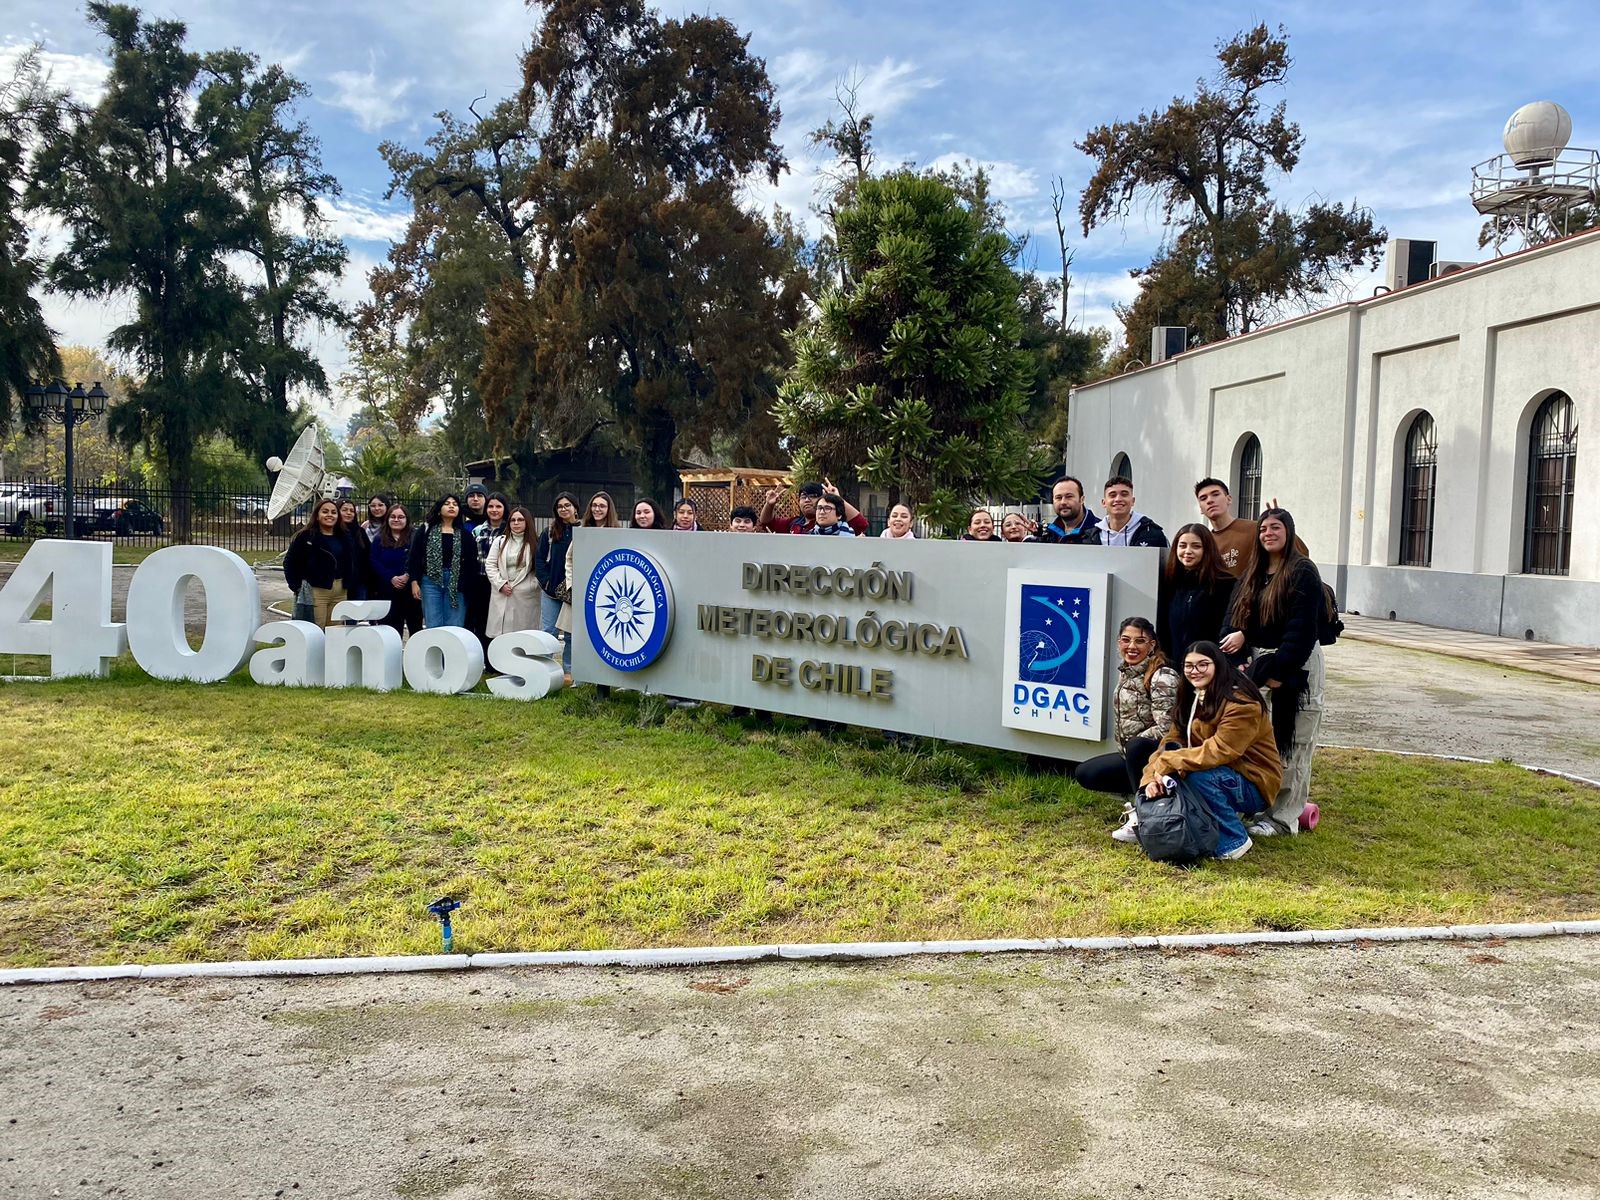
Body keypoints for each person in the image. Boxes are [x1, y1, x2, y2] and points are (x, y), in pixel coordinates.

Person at [1219, 508, 1325, 837]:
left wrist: (1281, 671)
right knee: (1257, 739)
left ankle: (1283, 818)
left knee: (1293, 740)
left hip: (1296, 664)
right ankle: (1259, 805)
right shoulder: (1253, 573)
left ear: (1289, 532)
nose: (1268, 533)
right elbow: (1233, 621)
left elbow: (1302, 630)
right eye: (1263, 528)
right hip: (1258, 666)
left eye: (1275, 527)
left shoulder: (1302, 572)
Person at [1139, 641, 1283, 861]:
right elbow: (1171, 740)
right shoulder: (1191, 695)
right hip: (1220, 771)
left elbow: (1221, 750)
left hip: (1253, 781)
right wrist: (1151, 778)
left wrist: (1168, 763)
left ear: (1218, 665)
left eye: (1202, 664)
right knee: (1153, 758)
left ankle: (1234, 840)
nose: (1194, 671)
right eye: (1189, 666)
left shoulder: (1242, 701)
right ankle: (1153, 820)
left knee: (1196, 775)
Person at [1073, 617, 1181, 843]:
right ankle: (1149, 797)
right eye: (1126, 640)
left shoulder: (1162, 676)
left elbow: (1167, 730)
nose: (1132, 647)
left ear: (1152, 645)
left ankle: (1145, 817)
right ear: (1118, 642)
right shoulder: (1128, 672)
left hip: (1156, 758)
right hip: (1130, 756)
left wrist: (1135, 746)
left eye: (1140, 641)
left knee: (1137, 745)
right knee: (1086, 773)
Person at [1194, 477, 1306, 577]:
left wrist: (1283, 526)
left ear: (1229, 499)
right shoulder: (1204, 543)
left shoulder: (1258, 530)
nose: (1210, 500)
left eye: (1215, 494)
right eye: (1203, 498)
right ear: (1200, 508)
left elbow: (1301, 552)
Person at [283, 498, 365, 628]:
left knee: (335, 631)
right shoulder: (305, 536)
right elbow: (290, 562)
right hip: (317, 591)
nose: (329, 515)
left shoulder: (345, 536)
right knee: (316, 629)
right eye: (325, 512)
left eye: (333, 512)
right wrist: (296, 586)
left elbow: (351, 562)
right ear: (317, 515)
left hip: (340, 591)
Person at [1159, 524, 1236, 661]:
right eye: (1182, 546)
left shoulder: (1225, 583)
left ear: (1207, 549)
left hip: (1210, 666)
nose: (1188, 551)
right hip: (1175, 665)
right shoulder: (1169, 582)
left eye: (1196, 546)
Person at [409, 492, 480, 629]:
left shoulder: (464, 534)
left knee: (454, 625)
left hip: (456, 583)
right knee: (433, 624)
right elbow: (415, 557)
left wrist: (466, 585)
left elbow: (472, 562)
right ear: (439, 509)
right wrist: (414, 581)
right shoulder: (426, 530)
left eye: (455, 504)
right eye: (447, 504)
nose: (451, 507)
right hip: (430, 582)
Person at [535, 492, 579, 680]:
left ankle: (569, 671)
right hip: (551, 591)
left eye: (567, 505)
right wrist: (546, 582)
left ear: (575, 508)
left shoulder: (584, 530)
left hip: (574, 592)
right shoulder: (549, 532)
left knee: (571, 634)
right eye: (560, 506)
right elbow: (539, 560)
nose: (564, 509)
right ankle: (546, 670)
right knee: (549, 632)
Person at [485, 504, 541, 637]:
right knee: (501, 637)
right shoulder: (500, 541)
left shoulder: (535, 543)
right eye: (512, 520)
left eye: (520, 520)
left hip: (526, 596)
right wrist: (500, 584)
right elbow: (490, 564)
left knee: (523, 638)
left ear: (527, 521)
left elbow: (541, 569)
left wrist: (530, 586)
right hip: (502, 593)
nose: (516, 523)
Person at [369, 502, 422, 637]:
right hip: (387, 591)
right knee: (390, 631)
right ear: (388, 519)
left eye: (400, 517)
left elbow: (420, 559)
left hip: (410, 591)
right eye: (393, 517)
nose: (396, 520)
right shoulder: (379, 539)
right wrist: (390, 578)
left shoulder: (415, 537)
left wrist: (408, 575)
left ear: (407, 519)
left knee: (415, 628)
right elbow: (374, 561)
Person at [760, 480, 868, 535]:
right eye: (803, 497)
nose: (807, 500)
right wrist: (769, 505)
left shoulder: (829, 524)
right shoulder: (794, 523)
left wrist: (836, 499)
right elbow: (766, 523)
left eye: (812, 496)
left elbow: (861, 525)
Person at [1099, 476, 1168, 548]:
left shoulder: (1153, 534)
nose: (1118, 499)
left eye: (1124, 494)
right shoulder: (1090, 538)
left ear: (1133, 501)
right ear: (1104, 503)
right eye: (1113, 495)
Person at [1038, 477, 1101, 544]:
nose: (1063, 502)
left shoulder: (1100, 532)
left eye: (1069, 496)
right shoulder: (1049, 534)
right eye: (1058, 498)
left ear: (1082, 500)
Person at [338, 498, 374, 600]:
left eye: (352, 511)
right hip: (339, 583)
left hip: (359, 583)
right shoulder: (333, 531)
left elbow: (368, 555)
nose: (348, 513)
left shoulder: (360, 532)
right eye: (344, 510)